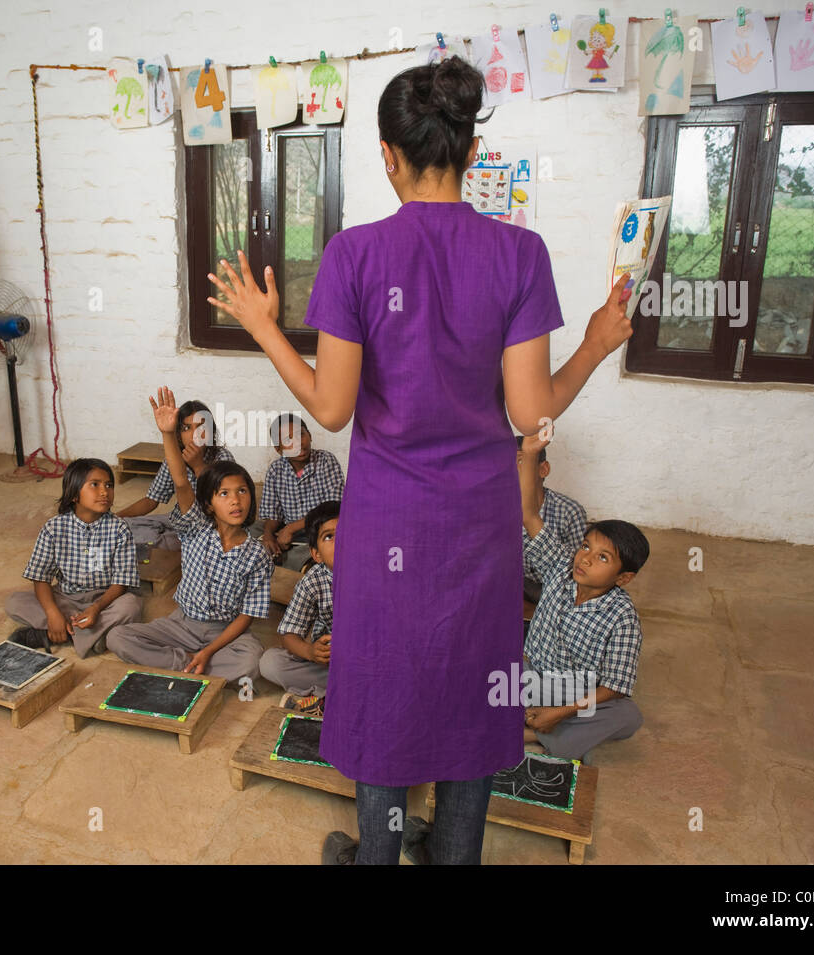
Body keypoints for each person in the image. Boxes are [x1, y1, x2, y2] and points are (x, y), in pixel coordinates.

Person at [207, 55, 634, 865]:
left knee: (387, 683)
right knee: (474, 686)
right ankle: (455, 853)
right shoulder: (519, 253)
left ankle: (378, 852)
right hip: (480, 525)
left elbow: (331, 408)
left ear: (386, 153)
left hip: (387, 526)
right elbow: (529, 412)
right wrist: (595, 345)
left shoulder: (354, 254)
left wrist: (267, 328)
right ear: (471, 153)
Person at [108, 387, 271, 683]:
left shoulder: (257, 554)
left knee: (252, 662)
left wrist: (210, 650)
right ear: (209, 502)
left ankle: (192, 662)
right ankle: (186, 664)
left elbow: (247, 616)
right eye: (224, 494)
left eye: (242, 492)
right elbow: (179, 486)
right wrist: (167, 433)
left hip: (224, 630)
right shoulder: (197, 524)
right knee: (118, 637)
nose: (235, 500)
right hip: (183, 622)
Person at [519, 432, 646, 761]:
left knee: (627, 717)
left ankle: (533, 732)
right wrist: (529, 454)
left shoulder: (622, 617)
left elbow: (615, 685)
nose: (585, 558)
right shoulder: (559, 567)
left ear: (624, 577)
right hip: (529, 675)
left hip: (574, 690)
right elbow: (530, 515)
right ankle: (550, 734)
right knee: (479, 677)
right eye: (586, 547)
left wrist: (560, 711)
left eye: (603, 558)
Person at [4, 458, 142, 657]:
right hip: (65, 597)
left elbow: (121, 583)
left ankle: (52, 635)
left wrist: (96, 608)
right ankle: (88, 635)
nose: (104, 491)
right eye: (95, 485)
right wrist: (53, 614)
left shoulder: (119, 529)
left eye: (109, 485)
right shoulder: (53, 528)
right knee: (15, 602)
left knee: (131, 606)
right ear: (74, 494)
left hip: (104, 601)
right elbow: (40, 577)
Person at [117, 399, 234, 551]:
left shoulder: (223, 457)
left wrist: (198, 466)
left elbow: (224, 502)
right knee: (127, 527)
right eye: (186, 428)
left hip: (209, 528)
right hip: (177, 522)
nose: (195, 434)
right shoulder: (174, 459)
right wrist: (116, 517)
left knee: (149, 542)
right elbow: (152, 500)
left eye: (201, 427)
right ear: (178, 435)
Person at [260, 500, 339, 714]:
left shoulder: (377, 574)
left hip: (369, 661)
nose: (342, 541)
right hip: (331, 664)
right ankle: (339, 693)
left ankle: (324, 700)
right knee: (271, 663)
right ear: (316, 555)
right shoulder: (313, 581)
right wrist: (312, 653)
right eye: (329, 536)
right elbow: (289, 634)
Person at [259, 414, 345, 570]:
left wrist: (291, 528)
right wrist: (269, 535)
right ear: (279, 449)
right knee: (253, 530)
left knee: (323, 542)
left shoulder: (326, 461)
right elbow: (272, 514)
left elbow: (334, 509)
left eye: (301, 435)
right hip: (289, 533)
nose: (298, 443)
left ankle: (303, 560)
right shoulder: (275, 470)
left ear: (310, 436)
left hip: (320, 529)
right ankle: (276, 551)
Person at [516, 434, 587, 607]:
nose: (511, 470)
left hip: (554, 594)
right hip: (509, 591)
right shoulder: (494, 509)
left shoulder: (569, 511)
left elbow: (574, 572)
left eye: (519, 461)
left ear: (543, 469)